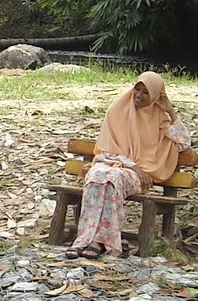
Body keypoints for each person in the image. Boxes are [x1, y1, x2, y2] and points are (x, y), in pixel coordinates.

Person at [63, 71, 191, 259]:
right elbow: (107, 151)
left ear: (156, 95)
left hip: (142, 176)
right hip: (115, 166)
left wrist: (170, 110)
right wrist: (133, 166)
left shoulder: (160, 118)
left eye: (145, 93)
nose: (138, 95)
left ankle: (96, 241)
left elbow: (184, 142)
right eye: (137, 89)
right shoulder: (117, 110)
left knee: (111, 179)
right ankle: (89, 240)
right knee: (96, 175)